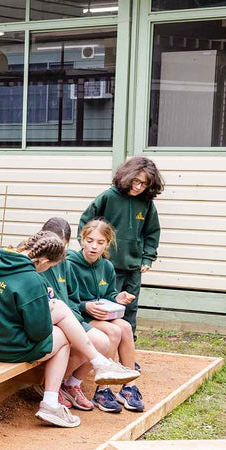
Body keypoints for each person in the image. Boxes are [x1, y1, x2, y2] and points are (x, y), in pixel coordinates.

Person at [0, 232, 139, 428]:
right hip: (7, 348)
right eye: (50, 266)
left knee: (57, 307)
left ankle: (97, 363)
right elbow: (38, 333)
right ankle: (52, 401)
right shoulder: (30, 279)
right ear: (45, 261)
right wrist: (44, 311)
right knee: (64, 337)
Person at [79, 156, 164, 336]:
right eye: (136, 181)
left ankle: (128, 349)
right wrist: (92, 252)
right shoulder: (109, 197)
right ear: (127, 176)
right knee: (108, 307)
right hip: (108, 265)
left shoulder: (146, 203)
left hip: (133, 266)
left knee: (130, 308)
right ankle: (107, 346)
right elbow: (87, 222)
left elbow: (152, 231)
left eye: (144, 184)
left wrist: (147, 257)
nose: (138, 187)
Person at [38, 217, 116, 413]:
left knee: (103, 342)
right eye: (54, 246)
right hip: (50, 322)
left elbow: (72, 297)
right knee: (87, 341)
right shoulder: (37, 264)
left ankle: (70, 384)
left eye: (62, 248)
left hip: (70, 319)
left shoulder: (64, 262)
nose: (57, 253)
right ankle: (51, 388)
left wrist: (76, 316)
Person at [67, 219, 145, 412]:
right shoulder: (70, 265)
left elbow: (108, 294)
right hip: (80, 315)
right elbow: (66, 300)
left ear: (107, 244)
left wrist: (118, 297)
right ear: (82, 240)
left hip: (101, 314)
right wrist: (86, 306)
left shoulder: (107, 266)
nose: (94, 246)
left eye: (100, 242)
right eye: (90, 240)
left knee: (125, 327)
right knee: (113, 332)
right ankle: (103, 390)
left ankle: (129, 387)